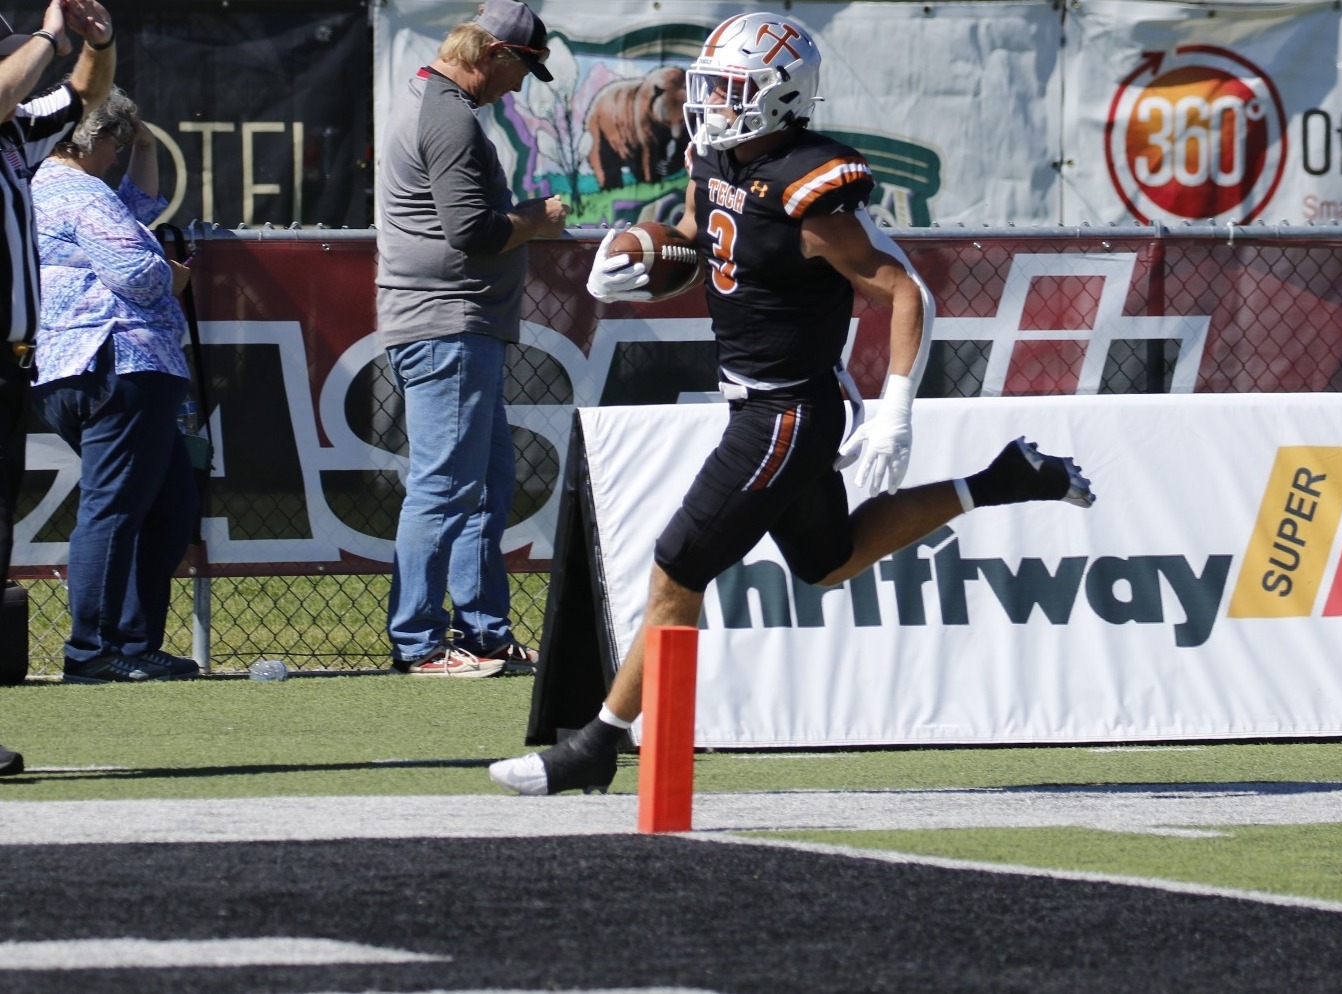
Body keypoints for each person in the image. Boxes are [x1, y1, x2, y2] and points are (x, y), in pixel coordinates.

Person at [488, 12, 1097, 795]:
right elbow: (698, 243)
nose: (712, 103)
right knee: (828, 559)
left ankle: (597, 745)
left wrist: (896, 408)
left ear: (781, 98)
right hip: (769, 407)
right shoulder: (714, 157)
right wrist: (644, 267)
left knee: (677, 570)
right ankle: (1004, 479)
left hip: (783, 416)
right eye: (711, 86)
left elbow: (902, 291)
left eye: (733, 88)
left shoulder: (811, 195)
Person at [376, 0, 568, 678]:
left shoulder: (435, 102)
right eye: (520, 70)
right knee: (444, 486)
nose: (518, 88)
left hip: (458, 325)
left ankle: (483, 632)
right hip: (446, 323)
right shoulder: (449, 116)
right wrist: (535, 218)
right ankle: (419, 643)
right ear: (492, 54)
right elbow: (473, 233)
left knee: (486, 481)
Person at [31, 87, 200, 683]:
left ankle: (131, 642)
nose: (119, 155)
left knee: (166, 503)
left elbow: (141, 202)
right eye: (118, 143)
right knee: (114, 508)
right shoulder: (81, 193)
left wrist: (145, 139)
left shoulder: (48, 186)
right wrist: (173, 278)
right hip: (119, 361)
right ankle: (92, 648)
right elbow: (138, 273)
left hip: (73, 366)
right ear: (92, 137)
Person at [0, 0, 115, 694]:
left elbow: (81, 97)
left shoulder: (14, 134)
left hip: (11, 366)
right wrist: (48, 35)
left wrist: (98, 41)